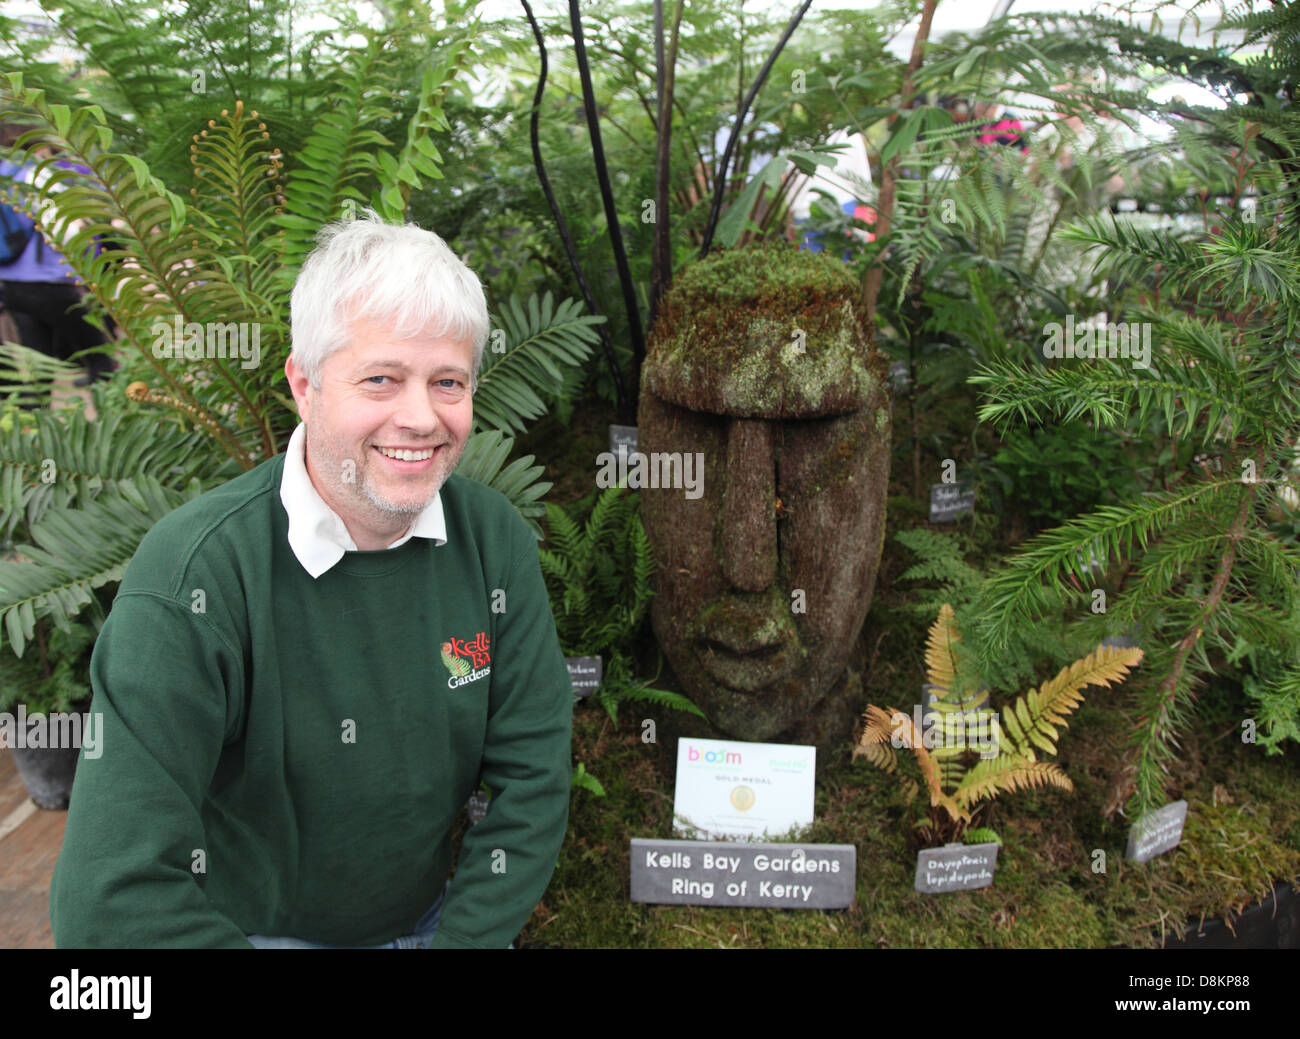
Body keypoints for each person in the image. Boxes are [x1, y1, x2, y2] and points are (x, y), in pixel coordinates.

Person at [49, 212, 574, 948]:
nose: (421, 416)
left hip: (434, 926)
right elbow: (107, 897)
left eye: (447, 381)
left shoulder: (493, 542)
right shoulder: (196, 575)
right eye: (381, 378)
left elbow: (534, 780)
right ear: (305, 384)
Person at [0, 123, 117, 398]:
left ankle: (33, 422)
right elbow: (69, 230)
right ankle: (114, 418)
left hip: (12, 284)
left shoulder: (4, 173)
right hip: (50, 283)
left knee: (38, 364)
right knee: (99, 354)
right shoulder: (36, 175)